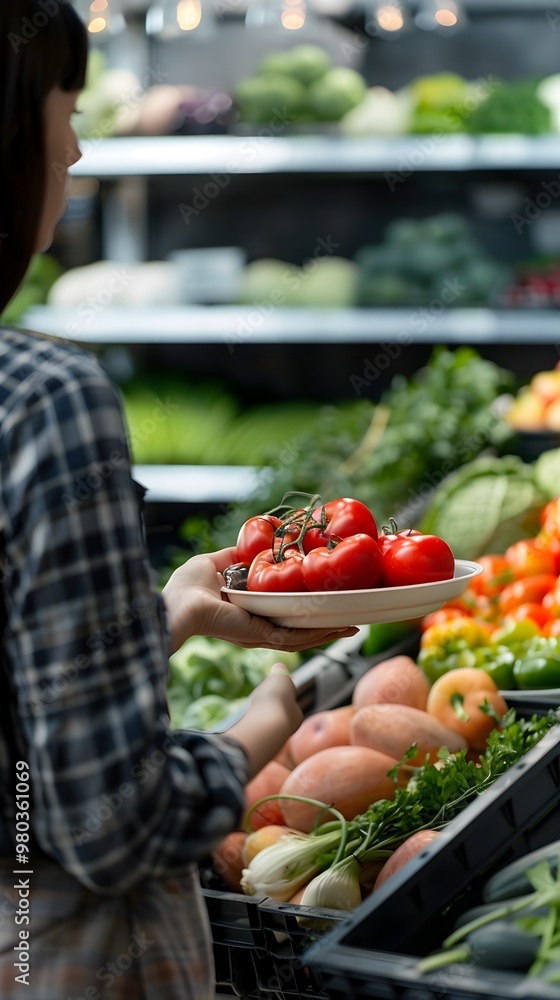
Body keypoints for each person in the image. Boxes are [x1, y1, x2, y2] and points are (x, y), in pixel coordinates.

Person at [0, 4, 358, 998]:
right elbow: (108, 821)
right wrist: (261, 727)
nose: (73, 143)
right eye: (57, 107)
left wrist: (163, 616)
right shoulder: (46, 401)